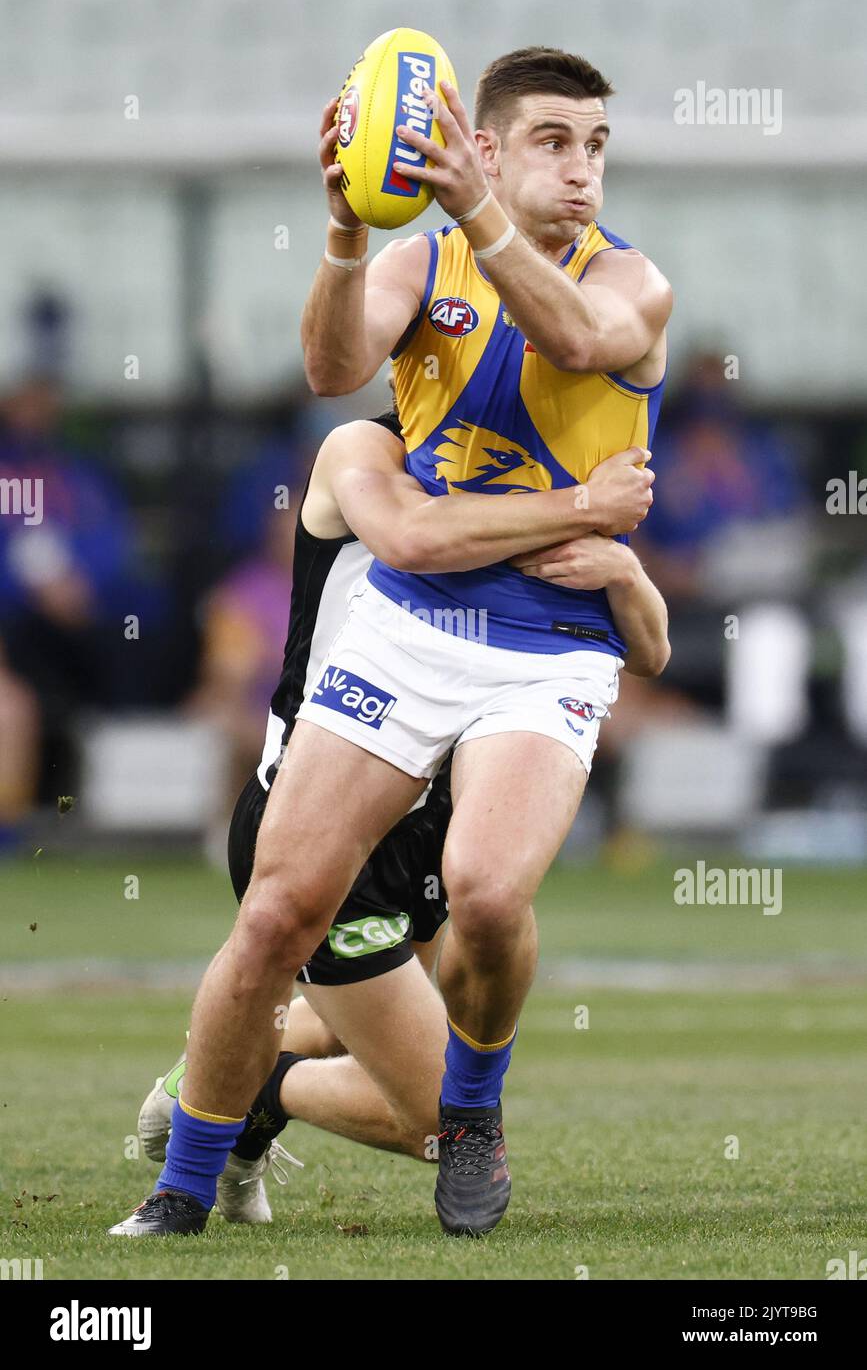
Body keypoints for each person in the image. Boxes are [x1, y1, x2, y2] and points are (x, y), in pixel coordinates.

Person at [109, 43, 672, 1239]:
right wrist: (348, 232)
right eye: (554, 143)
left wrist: (622, 572)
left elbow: (577, 337)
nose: (583, 171)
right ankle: (184, 1187)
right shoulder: (426, 268)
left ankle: (470, 1113)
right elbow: (329, 369)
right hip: (409, 639)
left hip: (546, 648)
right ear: (488, 146)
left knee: (485, 891)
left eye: (598, 146)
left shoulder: (636, 286)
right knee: (275, 914)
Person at [120, 407, 667, 1230]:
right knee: (436, 1127)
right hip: (326, 801)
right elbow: (416, 537)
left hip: (432, 816)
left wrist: (620, 570)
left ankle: (228, 1085)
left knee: (369, 1023)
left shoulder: (538, 470)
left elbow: (647, 649)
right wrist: (591, 504)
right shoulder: (363, 449)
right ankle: (244, 1102)